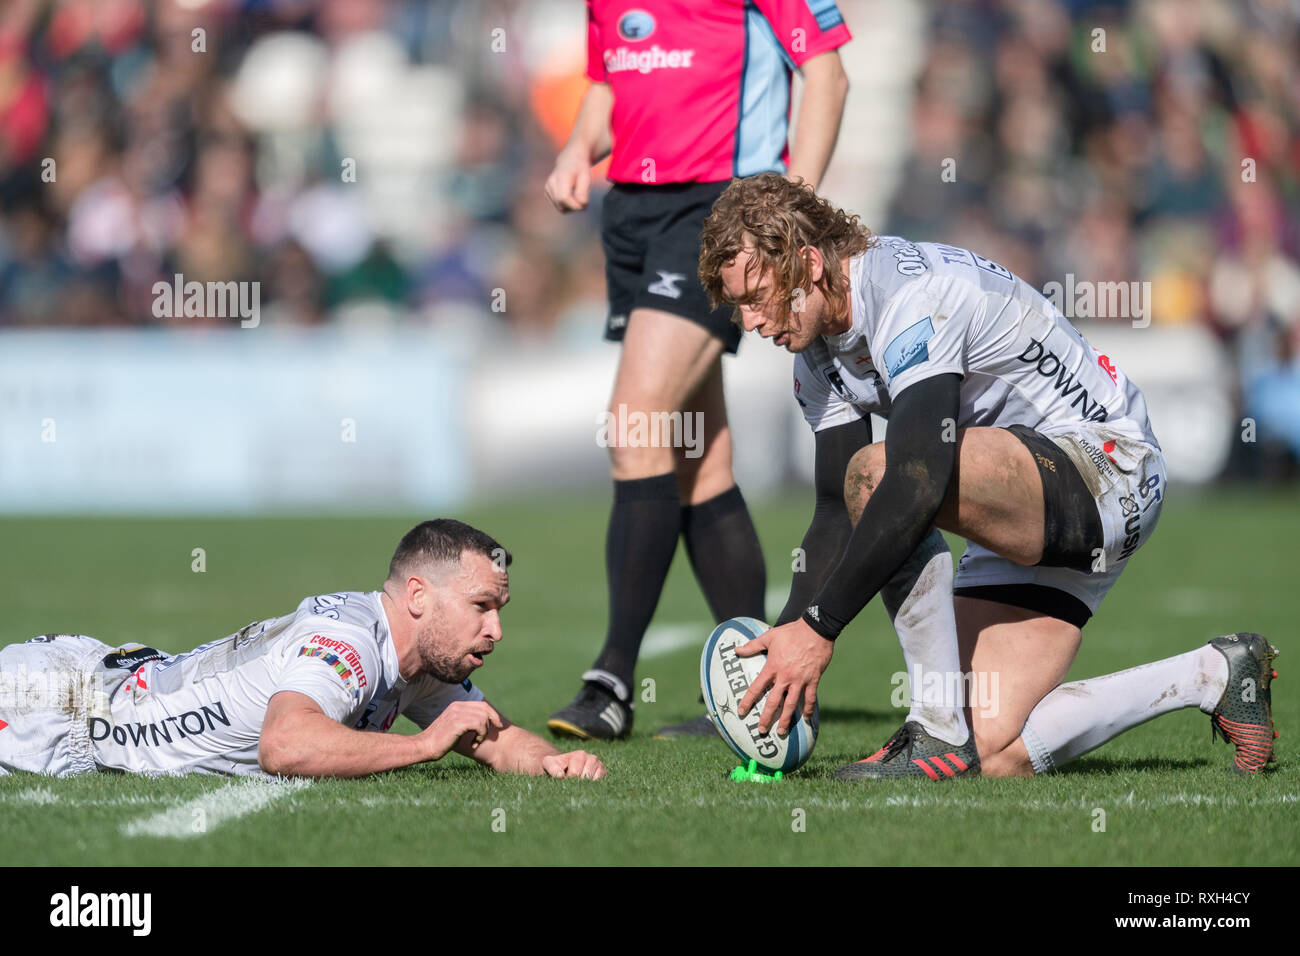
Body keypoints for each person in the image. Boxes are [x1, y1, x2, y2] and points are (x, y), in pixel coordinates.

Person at [697, 173, 1279, 778]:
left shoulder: (909, 296)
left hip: (1107, 466)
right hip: (1026, 497)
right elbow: (829, 512)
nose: (752, 322)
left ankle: (934, 728)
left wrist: (820, 629)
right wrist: (785, 646)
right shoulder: (814, 355)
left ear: (809, 262)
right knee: (995, 751)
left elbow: (920, 475)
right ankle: (1213, 674)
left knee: (881, 473)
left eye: (757, 295)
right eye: (738, 305)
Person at [543, 0, 853, 740]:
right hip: (633, 212)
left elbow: (828, 74)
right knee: (695, 458)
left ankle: (612, 680)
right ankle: (756, 680)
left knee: (636, 425)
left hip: (720, 211)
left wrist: (786, 213)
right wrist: (576, 148)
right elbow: (609, 84)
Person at [0, 519, 606, 781]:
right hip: (56, 705)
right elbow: (284, 746)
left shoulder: (421, 663)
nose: (496, 629)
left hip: (107, 681)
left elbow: (494, 737)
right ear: (418, 596)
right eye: (482, 607)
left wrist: (552, 762)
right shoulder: (346, 643)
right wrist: (422, 746)